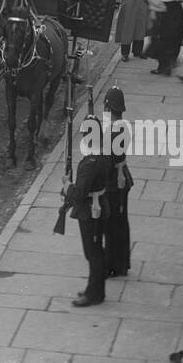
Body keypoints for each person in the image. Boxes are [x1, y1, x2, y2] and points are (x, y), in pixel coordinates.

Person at [60, 117, 113, 307]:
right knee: (95, 250)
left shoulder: (90, 162)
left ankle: (94, 293)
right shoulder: (103, 155)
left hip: (90, 211)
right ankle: (95, 289)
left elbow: (79, 193)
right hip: (98, 207)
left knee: (92, 252)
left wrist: (67, 185)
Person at [102, 87, 134, 277]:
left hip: (113, 181)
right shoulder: (121, 126)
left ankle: (112, 263)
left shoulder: (112, 131)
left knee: (111, 225)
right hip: (121, 179)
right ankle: (121, 263)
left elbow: (107, 160)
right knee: (120, 222)